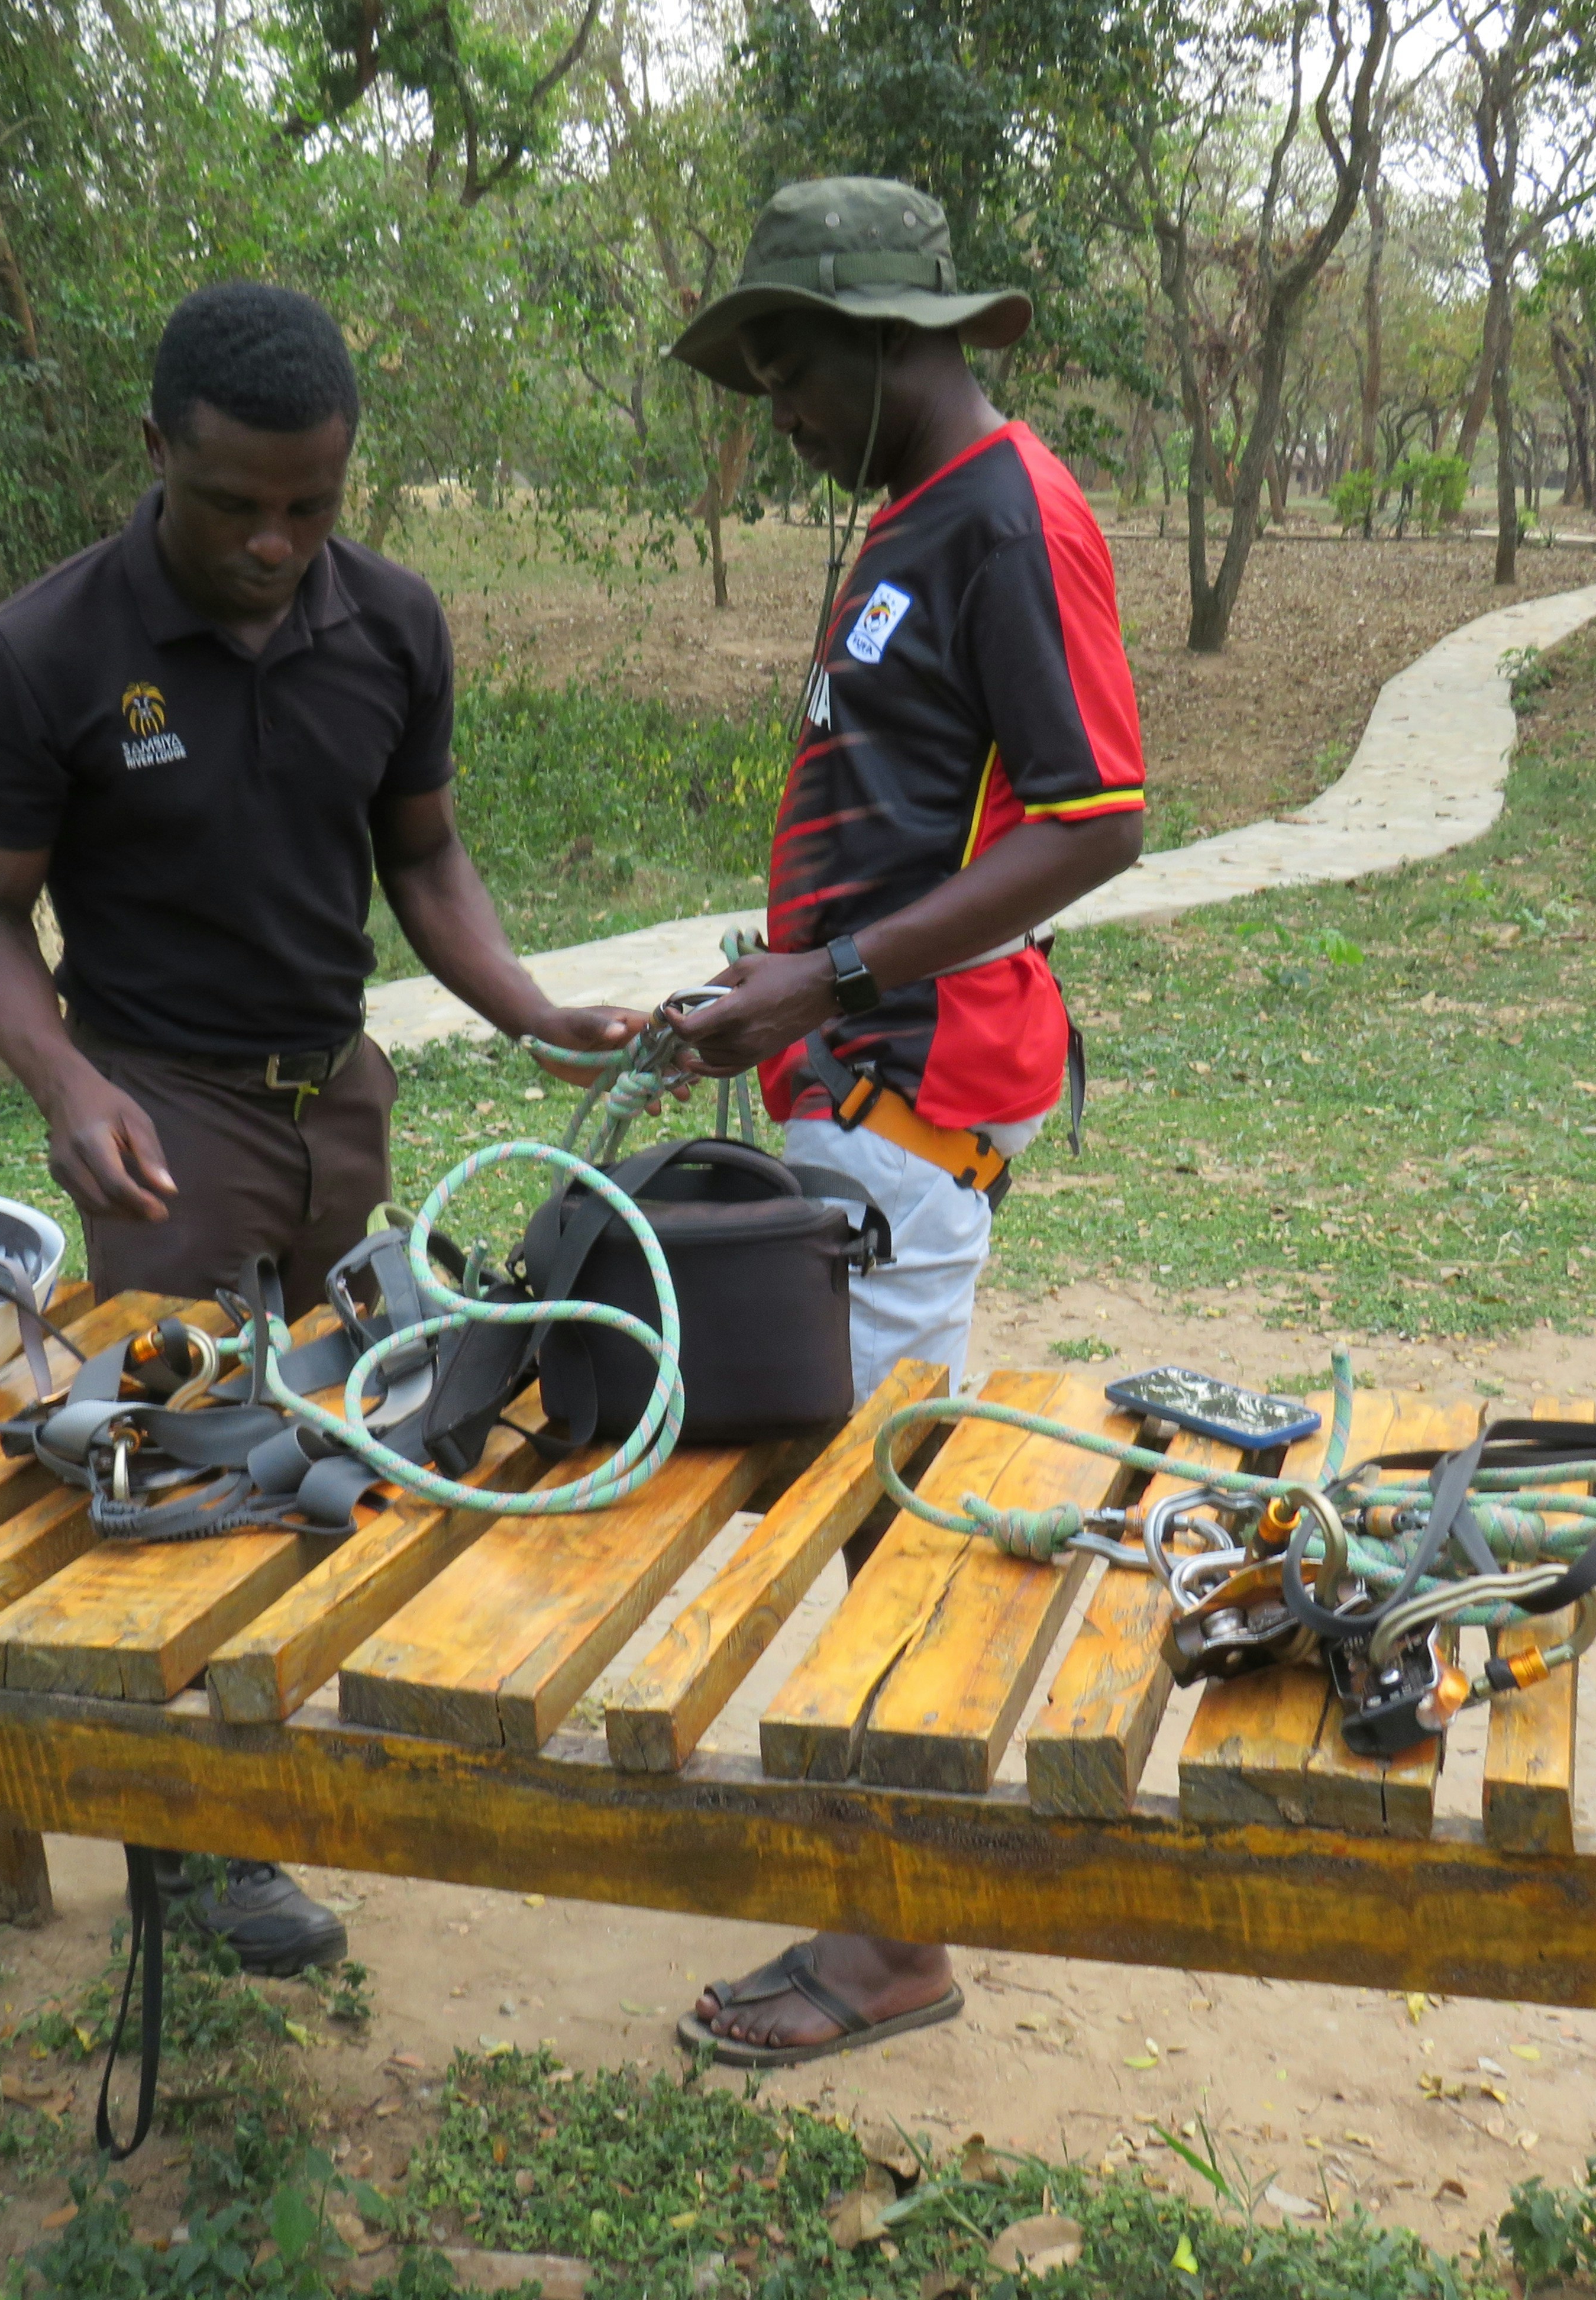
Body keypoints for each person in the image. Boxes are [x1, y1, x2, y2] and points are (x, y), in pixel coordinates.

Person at [0, 281, 644, 1968]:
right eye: (235, 504)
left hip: (336, 1100)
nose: (274, 544)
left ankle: (268, 1767)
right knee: (175, 1475)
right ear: (156, 454)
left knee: (349, 1438)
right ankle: (191, 1857)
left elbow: (420, 857)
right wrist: (69, 1085)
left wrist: (533, 1008)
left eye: (310, 508)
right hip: (159, 1123)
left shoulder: (391, 627)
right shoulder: (42, 654)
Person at [658, 179, 1146, 2062]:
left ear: (885, 344)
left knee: (885, 1509)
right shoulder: (910, 519)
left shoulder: (1011, 516)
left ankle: (896, 1941)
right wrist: (759, 999)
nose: (772, 403)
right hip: (843, 1081)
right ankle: (887, 1897)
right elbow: (899, 812)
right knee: (863, 1491)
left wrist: (834, 983)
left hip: (909, 1095)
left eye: (787, 363)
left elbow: (1093, 817)